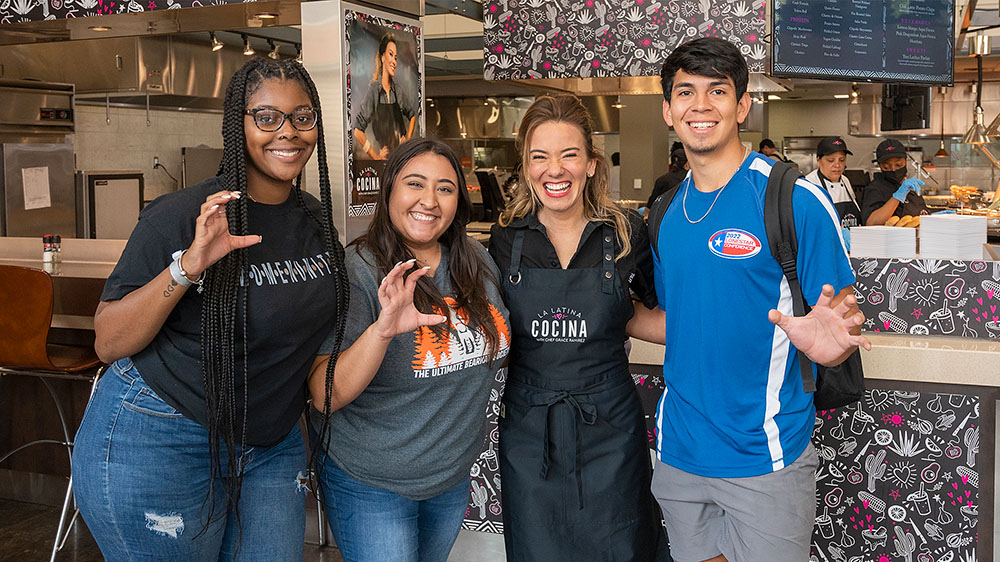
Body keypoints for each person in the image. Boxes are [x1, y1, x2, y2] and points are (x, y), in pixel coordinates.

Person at [72, 58, 349, 561]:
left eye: (302, 116)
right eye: (266, 117)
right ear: (236, 125)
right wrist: (188, 267)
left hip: (271, 442)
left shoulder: (315, 220)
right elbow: (108, 341)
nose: (287, 132)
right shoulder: (183, 214)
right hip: (162, 434)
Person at [647, 37, 870, 562]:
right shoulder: (662, 213)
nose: (700, 106)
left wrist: (833, 347)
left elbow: (839, 319)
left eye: (717, 91)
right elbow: (678, 319)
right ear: (667, 109)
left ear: (743, 105)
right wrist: (602, 316)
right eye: (685, 92)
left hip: (765, 455)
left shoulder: (791, 197)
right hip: (679, 453)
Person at [309, 138, 510, 562]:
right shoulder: (359, 271)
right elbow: (325, 396)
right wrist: (382, 331)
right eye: (414, 184)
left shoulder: (475, 261)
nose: (429, 201)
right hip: (372, 482)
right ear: (389, 192)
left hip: (450, 476)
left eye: (445, 188)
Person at [489, 94, 670, 562]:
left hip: (610, 425)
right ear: (526, 166)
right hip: (530, 429)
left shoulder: (627, 231)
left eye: (569, 154)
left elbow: (652, 315)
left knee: (622, 547)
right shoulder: (506, 237)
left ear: (591, 163)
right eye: (540, 157)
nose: (556, 170)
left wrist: (754, 323)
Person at [353, 32, 418, 160]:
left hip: (402, 158)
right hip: (385, 163)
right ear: (382, 57)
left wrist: (408, 139)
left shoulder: (398, 91)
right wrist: (375, 156)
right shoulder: (374, 91)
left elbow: (413, 115)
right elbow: (357, 131)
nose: (394, 61)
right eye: (390, 54)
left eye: (396, 57)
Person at [861, 139, 929, 225]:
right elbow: (871, 223)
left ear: (905, 161)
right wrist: (898, 196)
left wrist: (936, 218)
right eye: (886, 167)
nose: (893, 169)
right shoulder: (874, 189)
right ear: (880, 166)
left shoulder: (910, 188)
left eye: (898, 165)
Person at [647, 143, 690, 209]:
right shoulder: (693, 181)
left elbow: (651, 205)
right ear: (687, 164)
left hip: (665, 216)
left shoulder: (661, 180)